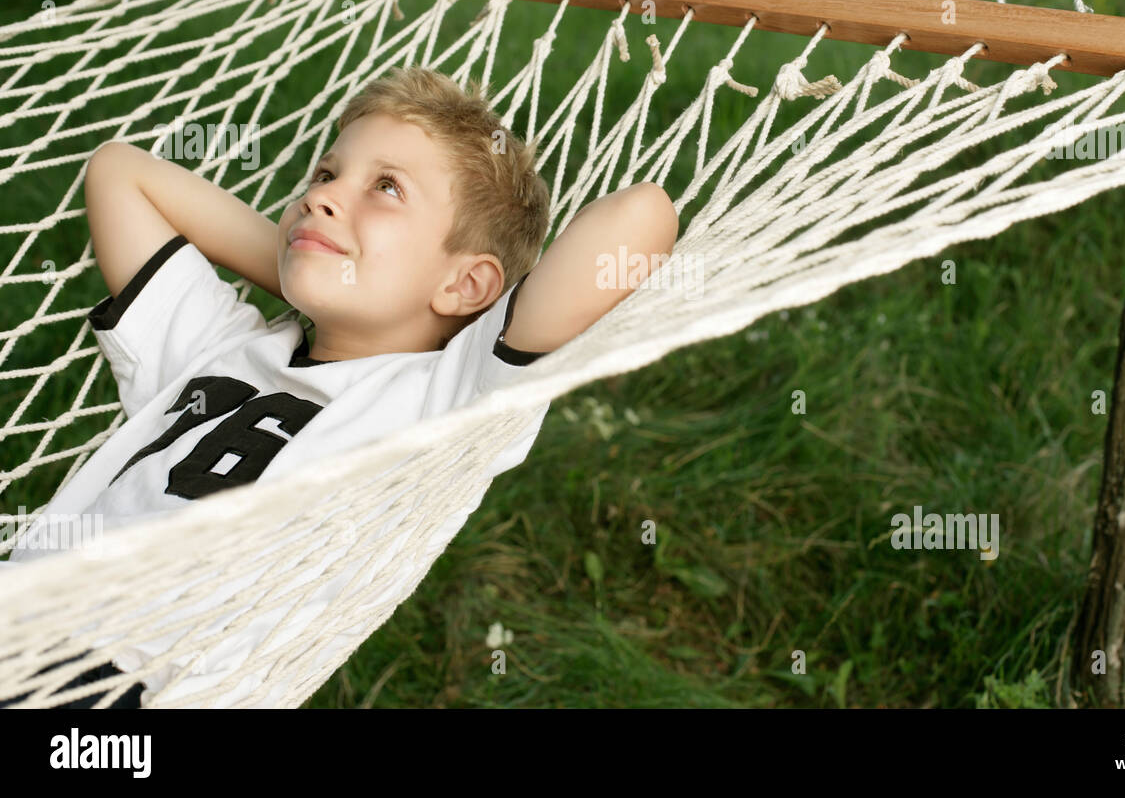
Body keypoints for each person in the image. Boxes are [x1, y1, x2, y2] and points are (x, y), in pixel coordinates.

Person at [1, 66, 678, 707]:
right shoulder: (225, 348)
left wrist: (331, 260)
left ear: (466, 286)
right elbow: (121, 172)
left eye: (386, 188)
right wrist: (314, 258)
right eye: (327, 173)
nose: (318, 195)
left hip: (131, 678)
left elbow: (641, 216)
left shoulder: (452, 399)